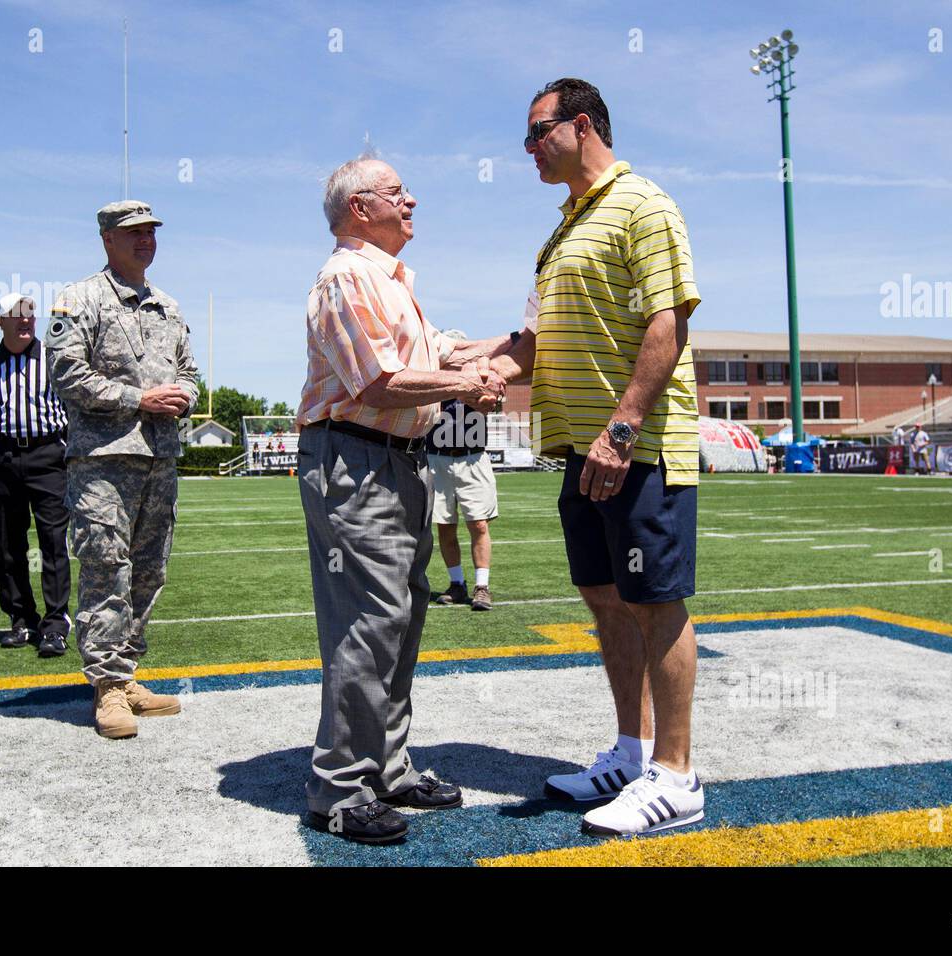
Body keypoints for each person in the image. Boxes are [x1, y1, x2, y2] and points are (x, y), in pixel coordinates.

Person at [489, 78, 704, 837]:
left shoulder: (643, 204)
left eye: (536, 133)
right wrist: (475, 370)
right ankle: (630, 750)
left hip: (637, 449)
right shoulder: (560, 230)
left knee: (655, 603)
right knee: (606, 598)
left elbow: (666, 323)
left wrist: (622, 429)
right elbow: (535, 342)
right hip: (583, 453)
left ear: (582, 126)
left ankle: (676, 776)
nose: (528, 149)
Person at [295, 156, 510, 844]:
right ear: (360, 208)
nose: (411, 200)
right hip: (357, 459)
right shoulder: (347, 278)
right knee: (368, 620)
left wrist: (524, 341)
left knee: (401, 616)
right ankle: (340, 787)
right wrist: (464, 386)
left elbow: (441, 348)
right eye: (396, 193)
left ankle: (384, 765)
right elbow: (379, 381)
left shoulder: (386, 281)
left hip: (396, 462)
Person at [46, 200, 199, 739]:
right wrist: (140, 399)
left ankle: (128, 672)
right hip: (104, 459)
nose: (145, 241)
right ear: (108, 238)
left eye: (151, 231)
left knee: (149, 569)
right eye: (134, 233)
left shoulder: (168, 306)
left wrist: (185, 393)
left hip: (160, 456)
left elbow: (190, 369)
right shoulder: (79, 299)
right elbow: (67, 375)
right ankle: (107, 687)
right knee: (106, 566)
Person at [0, 292, 72, 656]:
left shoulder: (56, 359)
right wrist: (6, 445)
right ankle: (21, 618)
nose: (25, 321)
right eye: (16, 315)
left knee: (53, 541)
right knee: (8, 542)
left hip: (49, 455)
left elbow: (74, 410)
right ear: (0, 321)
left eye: (30, 315)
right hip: (3, 457)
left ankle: (56, 623)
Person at [428, 330, 500, 612]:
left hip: (471, 458)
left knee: (478, 524)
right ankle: (456, 584)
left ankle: (481, 587)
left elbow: (491, 404)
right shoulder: (432, 381)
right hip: (437, 459)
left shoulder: (480, 381)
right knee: (445, 527)